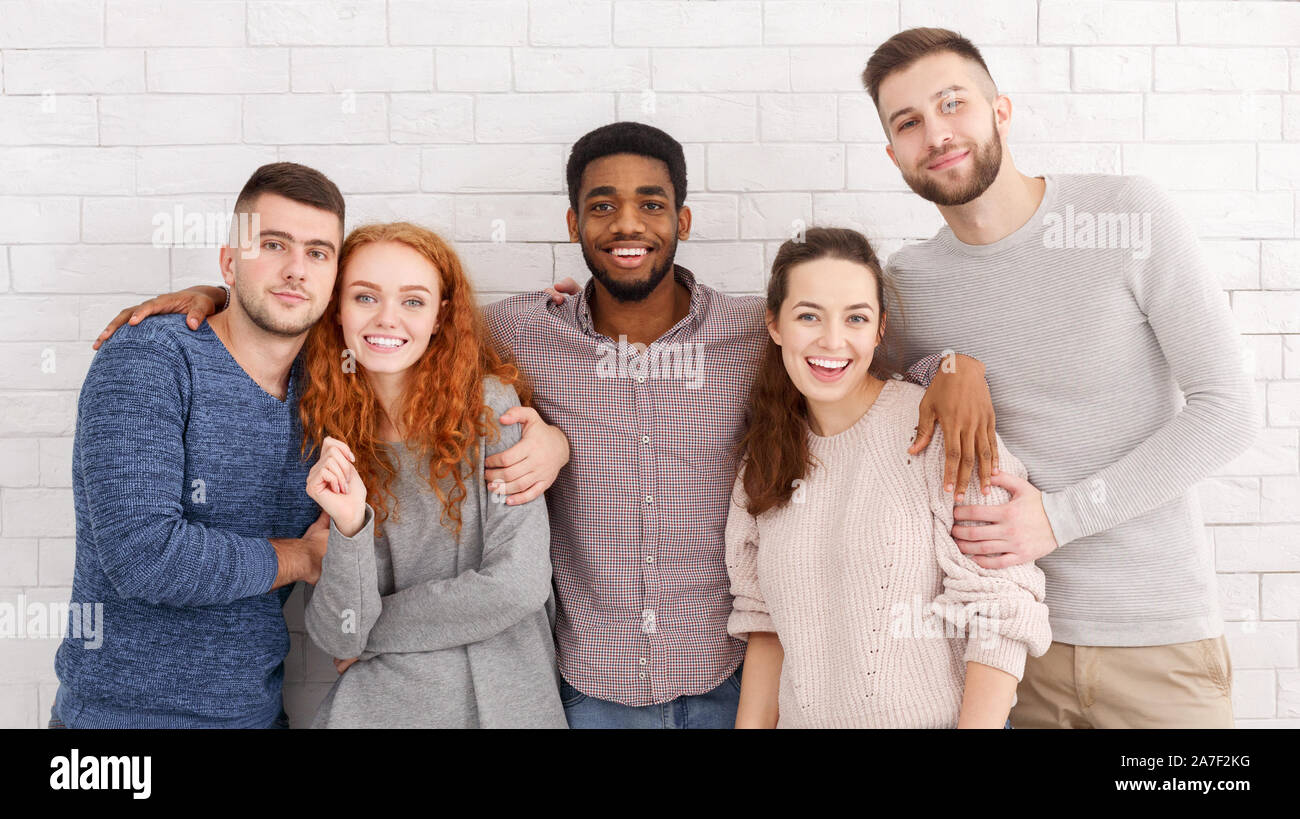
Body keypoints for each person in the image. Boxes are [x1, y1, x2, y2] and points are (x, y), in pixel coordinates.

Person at [96, 123, 997, 730]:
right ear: (573, 223)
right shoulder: (522, 332)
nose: (628, 223)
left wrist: (952, 366)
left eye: (651, 203)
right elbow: (393, 335)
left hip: (728, 680)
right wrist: (221, 305)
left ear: (683, 219)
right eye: (602, 205)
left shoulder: (744, 331)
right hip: (589, 689)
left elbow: (842, 355)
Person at [861, 27, 1260, 727]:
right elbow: (868, 405)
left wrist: (1057, 516)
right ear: (893, 154)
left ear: (1000, 111)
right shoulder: (906, 284)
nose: (937, 133)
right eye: (909, 122)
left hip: (1157, 644)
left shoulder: (1126, 214)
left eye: (953, 103)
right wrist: (950, 364)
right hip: (1011, 655)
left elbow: (1227, 410)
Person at [50, 162, 344, 728]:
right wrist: (301, 557)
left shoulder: (330, 385)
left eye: (317, 253)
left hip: (254, 716)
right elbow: (144, 555)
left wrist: (552, 439)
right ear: (230, 260)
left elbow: (429, 342)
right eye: (273, 244)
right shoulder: (150, 359)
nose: (294, 270)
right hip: (120, 728)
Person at [727, 226, 1051, 729]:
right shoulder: (764, 460)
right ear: (774, 325)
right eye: (808, 315)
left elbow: (1000, 610)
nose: (832, 340)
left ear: (879, 330)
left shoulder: (940, 431)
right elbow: (763, 623)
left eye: (855, 318)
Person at [300, 222, 566, 728]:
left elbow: (517, 585)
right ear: (336, 308)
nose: (387, 319)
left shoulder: (491, 410)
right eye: (365, 297)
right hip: (376, 710)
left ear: (442, 316)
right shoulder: (331, 436)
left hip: (502, 704)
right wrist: (351, 526)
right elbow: (337, 636)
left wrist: (373, 632)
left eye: (414, 301)